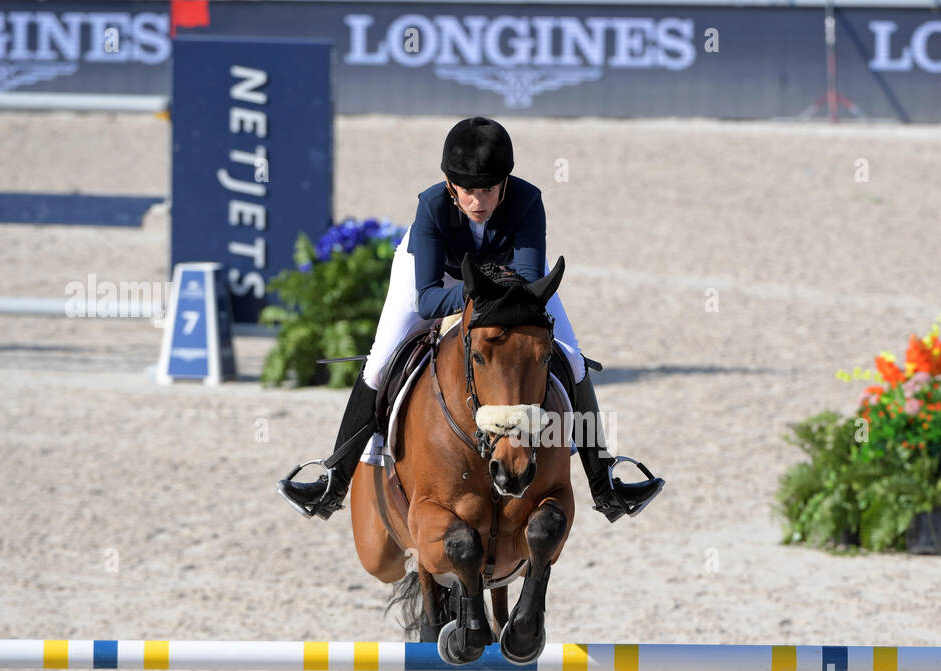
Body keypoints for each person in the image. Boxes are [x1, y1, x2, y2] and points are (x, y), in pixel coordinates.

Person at [278, 116, 664, 523]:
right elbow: (426, 300)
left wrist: (493, 294)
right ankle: (332, 482)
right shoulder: (430, 207)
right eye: (467, 192)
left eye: (489, 190)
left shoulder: (528, 200)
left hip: (510, 279)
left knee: (570, 355)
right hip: (439, 277)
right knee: (380, 359)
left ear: (505, 184)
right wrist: (473, 295)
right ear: (450, 186)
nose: (478, 202)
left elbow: (530, 283)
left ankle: (605, 486)